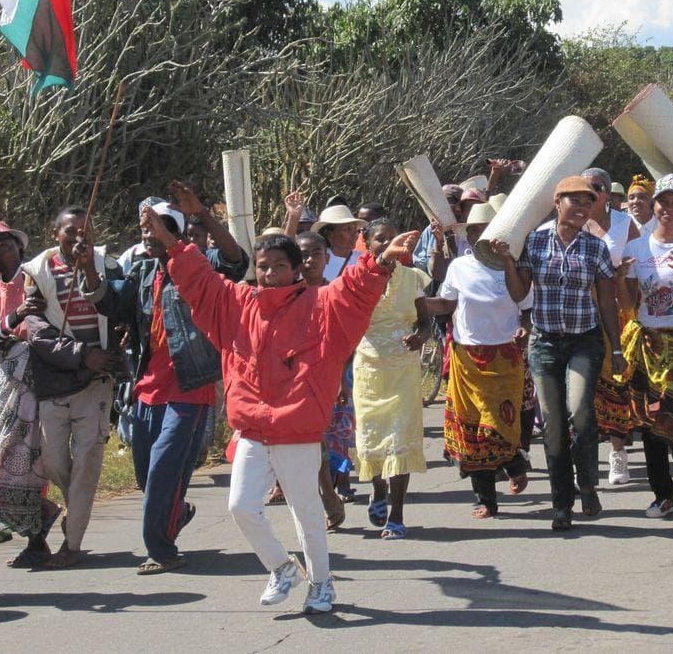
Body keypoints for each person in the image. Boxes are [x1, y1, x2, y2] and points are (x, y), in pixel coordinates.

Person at [144, 203, 418, 612]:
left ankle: (322, 585)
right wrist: (168, 239)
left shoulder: (322, 306)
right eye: (263, 265)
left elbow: (356, 288)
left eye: (277, 266)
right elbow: (199, 279)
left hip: (298, 431)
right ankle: (281, 567)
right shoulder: (236, 302)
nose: (269, 273)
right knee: (240, 507)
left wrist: (381, 259)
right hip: (252, 429)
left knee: (306, 516)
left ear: (295, 270)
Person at [80, 183, 248, 575]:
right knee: (147, 475)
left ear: (171, 232)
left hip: (191, 386)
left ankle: (162, 549)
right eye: (144, 232)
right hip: (146, 389)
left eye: (155, 229)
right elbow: (109, 301)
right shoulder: (141, 272)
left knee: (163, 468)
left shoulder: (201, 267)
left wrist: (201, 213)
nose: (147, 237)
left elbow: (235, 260)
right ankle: (175, 512)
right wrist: (88, 263)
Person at [495, 176, 626, 532]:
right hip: (546, 342)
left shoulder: (595, 247)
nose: (583, 208)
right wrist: (509, 261)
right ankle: (562, 503)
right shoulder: (534, 242)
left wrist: (616, 347)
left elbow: (607, 301)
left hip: (585, 340)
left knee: (580, 412)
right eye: (576, 201)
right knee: (553, 424)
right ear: (557, 202)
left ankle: (588, 484)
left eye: (589, 201)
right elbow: (520, 292)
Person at [21, 206, 121, 568]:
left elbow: (118, 307)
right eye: (70, 231)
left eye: (85, 230)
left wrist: (104, 355)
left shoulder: (107, 264)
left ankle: (72, 544)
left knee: (87, 463)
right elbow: (35, 329)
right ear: (55, 233)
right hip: (55, 379)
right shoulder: (36, 272)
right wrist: (81, 354)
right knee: (54, 462)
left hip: (97, 381)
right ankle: (77, 504)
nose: (79, 237)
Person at [424, 203, 533, 518]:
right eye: (472, 230)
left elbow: (525, 305)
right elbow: (446, 303)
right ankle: (485, 498)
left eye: (485, 229)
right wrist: (414, 303)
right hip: (466, 357)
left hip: (504, 358)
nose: (478, 235)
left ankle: (513, 462)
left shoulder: (515, 265)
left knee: (500, 423)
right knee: (472, 430)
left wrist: (524, 327)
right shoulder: (460, 266)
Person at [615, 174, 673, 518]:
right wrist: (618, 279)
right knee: (647, 423)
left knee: (669, 415)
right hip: (646, 345)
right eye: (663, 202)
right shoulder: (638, 248)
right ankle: (662, 494)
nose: (668, 209)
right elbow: (627, 305)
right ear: (654, 206)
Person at [0, 221, 61, 568]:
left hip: (42, 376)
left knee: (33, 459)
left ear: (17, 244)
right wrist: (15, 317)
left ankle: (39, 541)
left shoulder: (38, 276)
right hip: (10, 380)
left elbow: (54, 319)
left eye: (5, 240)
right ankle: (43, 518)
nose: (1, 247)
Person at [353, 218, 431, 540]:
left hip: (403, 370)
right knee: (371, 441)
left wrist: (420, 337)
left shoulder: (412, 278)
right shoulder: (357, 280)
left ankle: (396, 517)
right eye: (379, 240)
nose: (386, 245)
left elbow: (427, 324)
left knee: (399, 441)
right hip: (367, 370)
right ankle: (377, 490)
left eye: (391, 239)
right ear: (367, 244)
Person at [577, 167, 640, 486]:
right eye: (585, 189)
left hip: (616, 312)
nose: (591, 194)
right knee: (580, 391)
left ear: (607, 193)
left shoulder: (624, 224)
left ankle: (618, 454)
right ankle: (585, 460)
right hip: (579, 313)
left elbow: (637, 266)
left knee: (615, 384)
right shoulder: (571, 223)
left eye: (598, 188)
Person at [295, 231, 349, 531]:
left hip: (328, 377)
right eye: (302, 254)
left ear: (327, 258)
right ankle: (323, 497)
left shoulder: (335, 293)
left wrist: (341, 378)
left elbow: (346, 341)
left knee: (319, 442)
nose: (308, 260)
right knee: (306, 442)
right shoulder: (288, 294)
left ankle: (328, 494)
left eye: (315, 253)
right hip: (294, 380)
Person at [312, 205, 365, 281]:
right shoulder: (317, 260)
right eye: (347, 229)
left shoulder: (362, 260)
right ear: (329, 235)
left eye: (355, 229)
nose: (355, 234)